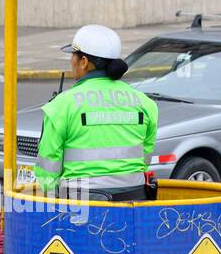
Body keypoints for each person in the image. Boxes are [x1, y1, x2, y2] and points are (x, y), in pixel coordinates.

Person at [32, 24, 158, 202]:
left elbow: (48, 169)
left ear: (83, 62)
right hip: (133, 203)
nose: (71, 61)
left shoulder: (62, 105)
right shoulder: (145, 103)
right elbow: (144, 157)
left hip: (81, 205)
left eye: (73, 56)